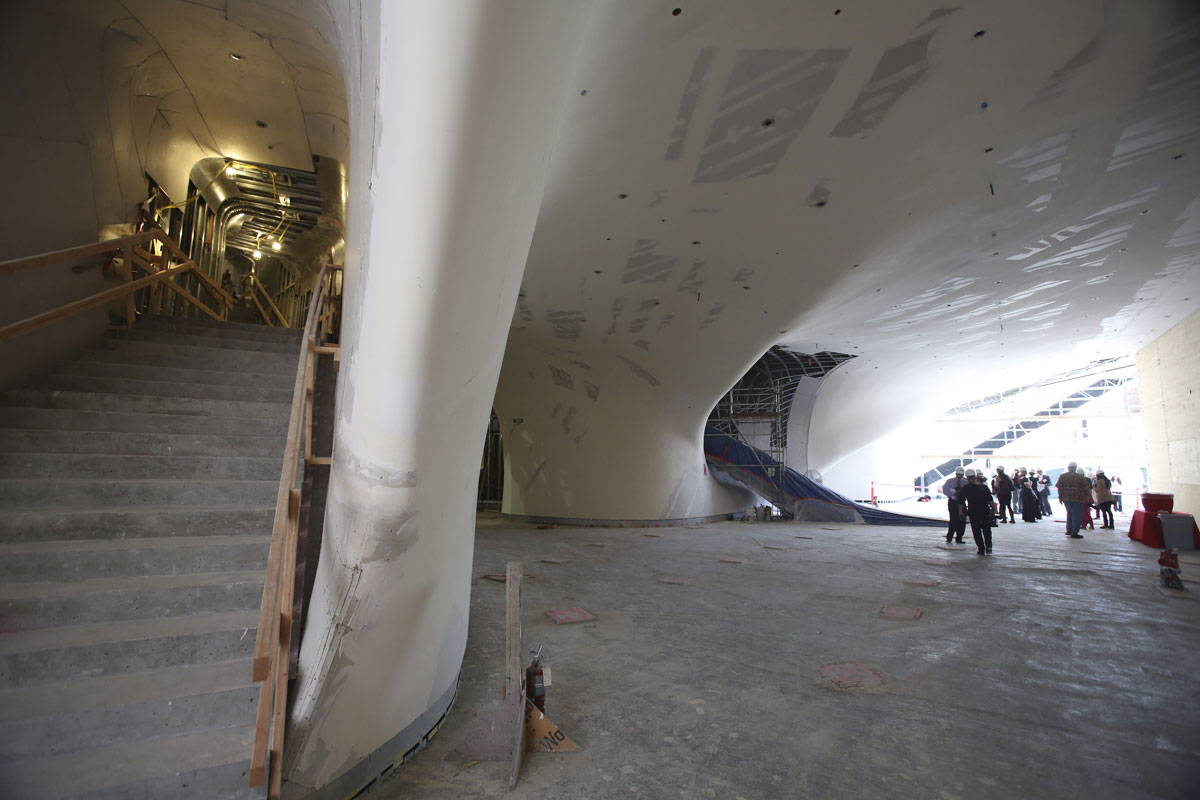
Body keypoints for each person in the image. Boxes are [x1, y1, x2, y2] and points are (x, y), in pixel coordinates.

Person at [960, 469, 996, 555]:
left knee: (976, 531)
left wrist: (960, 512)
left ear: (967, 478)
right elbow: (990, 500)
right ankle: (988, 547)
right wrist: (993, 511)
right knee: (986, 530)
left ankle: (981, 549)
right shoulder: (983, 487)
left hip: (973, 512)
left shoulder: (965, 489)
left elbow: (961, 502)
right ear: (975, 477)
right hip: (984, 511)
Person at [1056, 461, 1092, 539]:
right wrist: (1090, 498)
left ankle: (1069, 530)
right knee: (1077, 515)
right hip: (1078, 499)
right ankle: (1074, 532)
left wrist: (1060, 497)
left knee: (1069, 514)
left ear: (1068, 468)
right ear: (1075, 468)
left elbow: (1059, 487)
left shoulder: (1062, 476)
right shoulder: (1080, 477)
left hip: (1066, 498)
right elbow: (1086, 488)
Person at [941, 467, 969, 544]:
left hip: (962, 502)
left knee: (962, 520)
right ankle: (949, 537)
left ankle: (959, 537)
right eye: (959, 474)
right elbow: (945, 491)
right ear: (956, 474)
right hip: (952, 501)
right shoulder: (949, 481)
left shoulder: (965, 482)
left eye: (961, 474)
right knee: (953, 519)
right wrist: (953, 494)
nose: (960, 476)